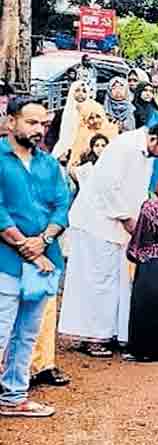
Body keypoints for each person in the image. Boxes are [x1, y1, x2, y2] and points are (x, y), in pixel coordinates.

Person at [58, 123, 158, 358]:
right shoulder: (123, 146)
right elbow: (108, 187)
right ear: (154, 139)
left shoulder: (146, 153)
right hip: (96, 224)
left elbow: (135, 188)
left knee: (117, 280)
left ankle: (111, 333)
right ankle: (93, 337)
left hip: (117, 227)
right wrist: (127, 218)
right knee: (97, 281)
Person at [0, 97, 70, 418]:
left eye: (43, 123)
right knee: (1, 331)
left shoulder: (50, 164)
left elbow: (62, 205)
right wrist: (24, 246)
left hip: (44, 260)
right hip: (6, 262)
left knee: (27, 333)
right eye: (31, 122)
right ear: (10, 122)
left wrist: (43, 241)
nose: (39, 129)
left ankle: (14, 397)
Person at [123, 197, 158, 362]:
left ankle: (143, 350)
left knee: (142, 307)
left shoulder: (141, 250)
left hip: (145, 291)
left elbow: (131, 255)